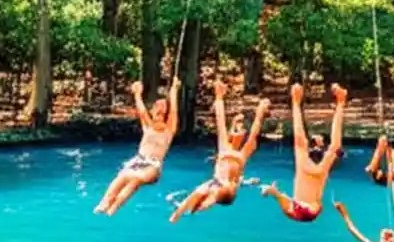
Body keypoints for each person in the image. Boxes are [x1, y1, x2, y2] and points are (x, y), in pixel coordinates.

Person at [169, 80, 269, 223]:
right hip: (220, 179)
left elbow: (221, 122)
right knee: (195, 199)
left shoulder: (231, 154)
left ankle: (185, 212)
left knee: (196, 198)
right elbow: (250, 132)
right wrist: (260, 112)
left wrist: (219, 96)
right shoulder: (239, 156)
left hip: (216, 181)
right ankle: (182, 213)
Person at [261, 82, 347, 222]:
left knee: (327, 146)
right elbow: (284, 200)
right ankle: (338, 102)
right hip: (309, 181)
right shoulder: (297, 209)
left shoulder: (303, 209)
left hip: (313, 181)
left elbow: (301, 141)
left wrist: (274, 192)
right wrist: (274, 192)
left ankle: (340, 102)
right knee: (305, 144)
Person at [95, 77, 181, 216]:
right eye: (157, 106)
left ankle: (114, 206)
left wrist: (174, 90)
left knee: (135, 179)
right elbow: (141, 111)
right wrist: (137, 93)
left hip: (153, 166)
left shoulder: (169, 129)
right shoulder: (148, 126)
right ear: (152, 111)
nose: (160, 108)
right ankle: (105, 203)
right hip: (138, 161)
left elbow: (174, 111)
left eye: (163, 107)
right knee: (122, 177)